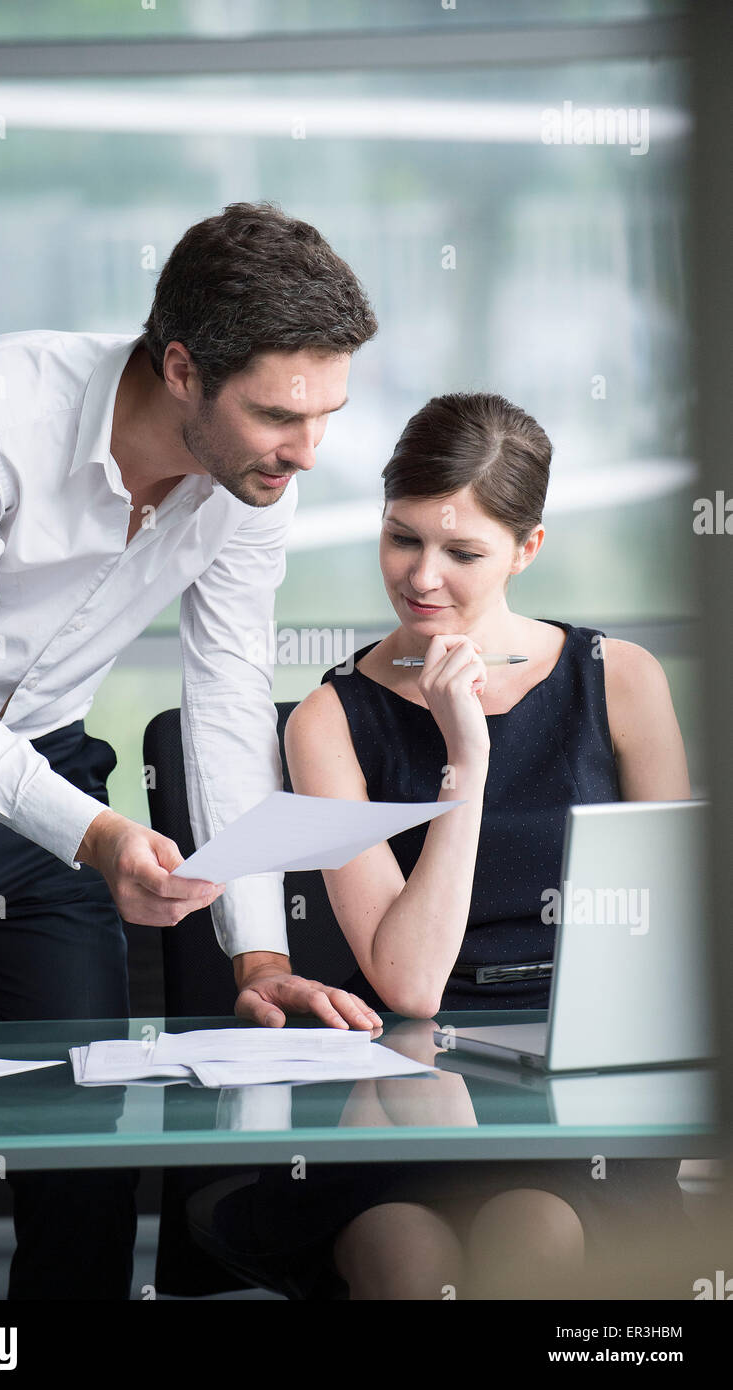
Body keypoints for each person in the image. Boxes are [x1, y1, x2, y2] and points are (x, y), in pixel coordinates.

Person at [0, 201, 381, 1300]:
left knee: (91, 1151)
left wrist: (258, 954)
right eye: (281, 413)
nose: (307, 449)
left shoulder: (255, 483)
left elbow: (231, 701)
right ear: (184, 368)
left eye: (327, 412)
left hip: (45, 774)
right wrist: (97, 835)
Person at [185, 390, 694, 1300]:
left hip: (577, 1076)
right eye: (401, 537)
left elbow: (681, 935)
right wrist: (465, 758)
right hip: (401, 1072)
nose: (421, 577)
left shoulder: (619, 679)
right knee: (401, 1254)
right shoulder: (330, 719)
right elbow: (409, 983)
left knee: (533, 1232)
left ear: (525, 550)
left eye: (461, 552)